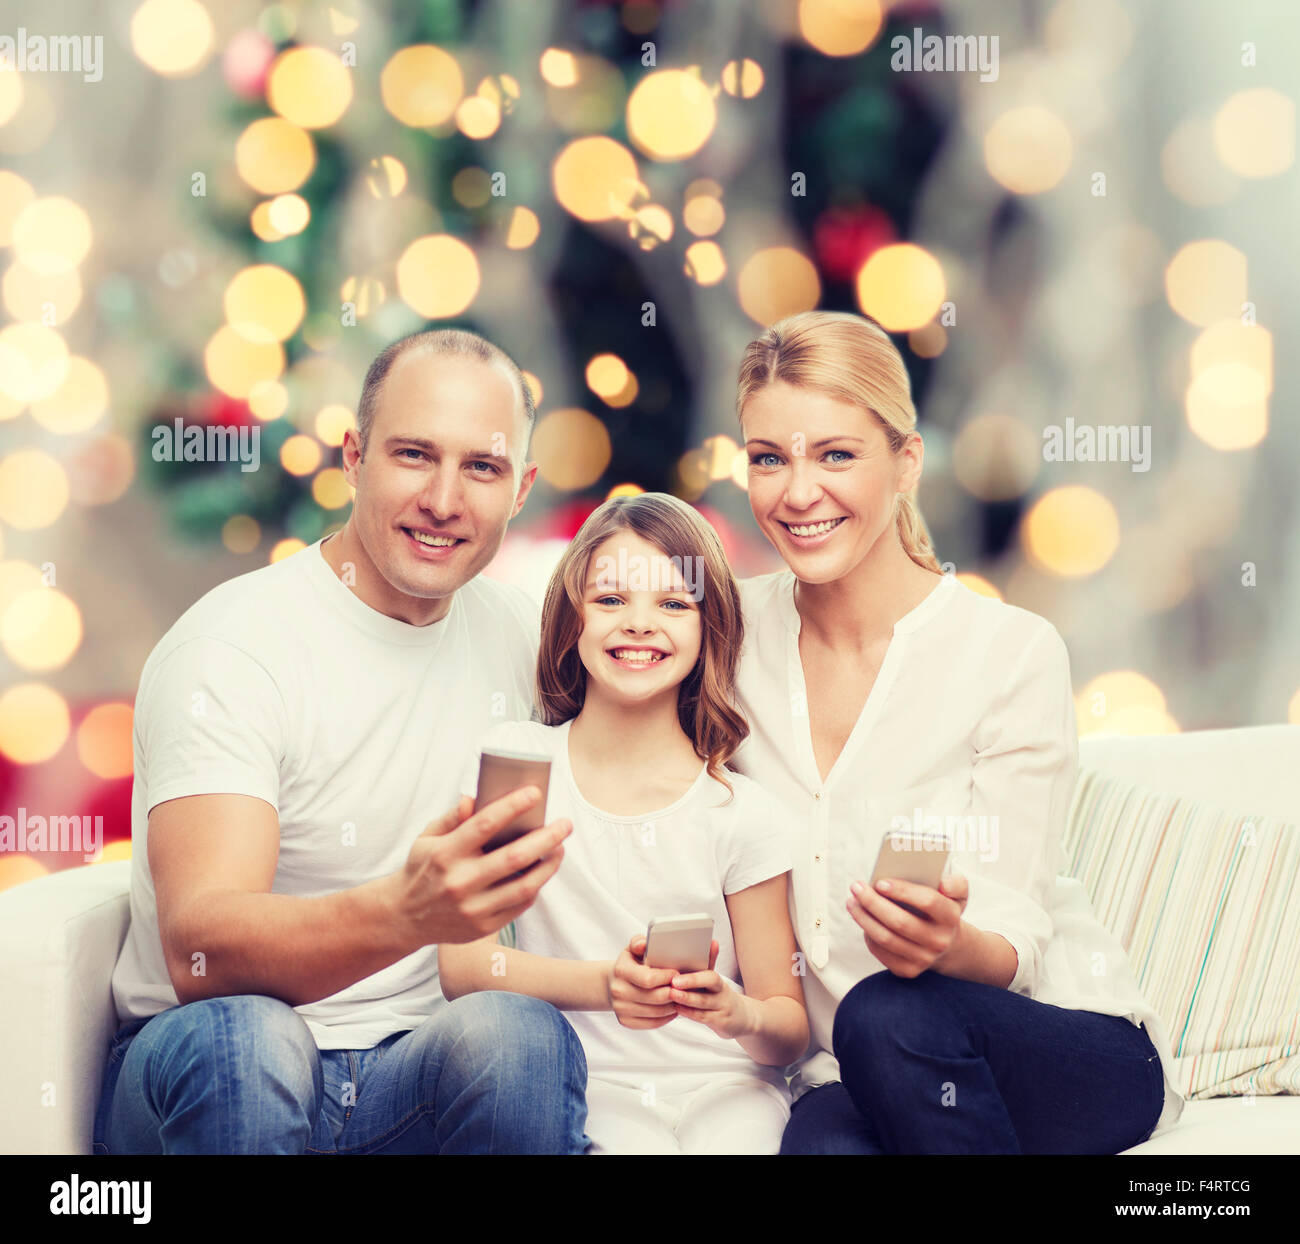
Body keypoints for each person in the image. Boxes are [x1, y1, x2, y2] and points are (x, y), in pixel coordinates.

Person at [93, 329, 589, 1155]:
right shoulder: (233, 647)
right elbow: (202, 955)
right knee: (251, 1042)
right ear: (354, 457)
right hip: (210, 1068)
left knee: (516, 1036)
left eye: (482, 467)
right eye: (413, 455)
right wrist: (405, 912)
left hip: (405, 1076)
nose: (443, 499)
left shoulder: (523, 638)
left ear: (522, 487)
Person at [728, 309, 1185, 1154]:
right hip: (853, 1070)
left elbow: (1015, 939)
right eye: (768, 458)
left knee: (887, 1012)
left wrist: (950, 941)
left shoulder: (1009, 653)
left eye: (836, 454)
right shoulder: (725, 639)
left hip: (1054, 1042)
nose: (797, 493)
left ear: (906, 463)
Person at [438, 494, 809, 1154]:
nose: (640, 624)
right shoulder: (522, 765)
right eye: (611, 600)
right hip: (592, 1085)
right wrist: (604, 988)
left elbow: (786, 1024)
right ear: (571, 620)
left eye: (672, 603)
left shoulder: (742, 812)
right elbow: (465, 966)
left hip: (731, 1087)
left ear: (709, 627)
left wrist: (736, 1009)